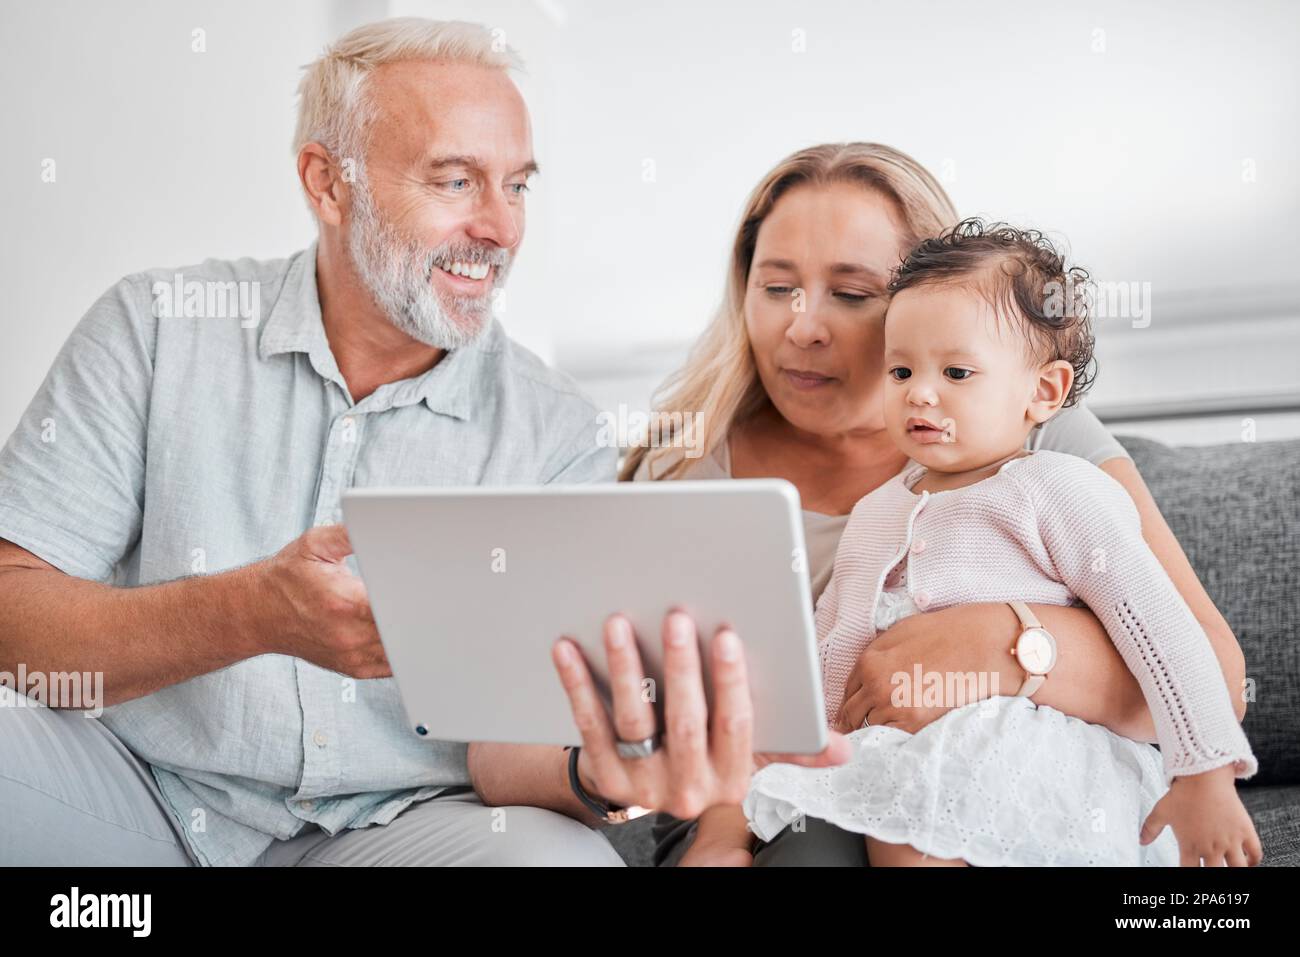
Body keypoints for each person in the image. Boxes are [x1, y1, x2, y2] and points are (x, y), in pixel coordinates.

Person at [620, 144, 1250, 867]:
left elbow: (1202, 659)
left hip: (1033, 755)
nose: (803, 327)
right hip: (822, 779)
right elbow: (823, 671)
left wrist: (1004, 646)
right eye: (776, 287)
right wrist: (738, 820)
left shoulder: (1047, 451)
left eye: (852, 293)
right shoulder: (709, 472)